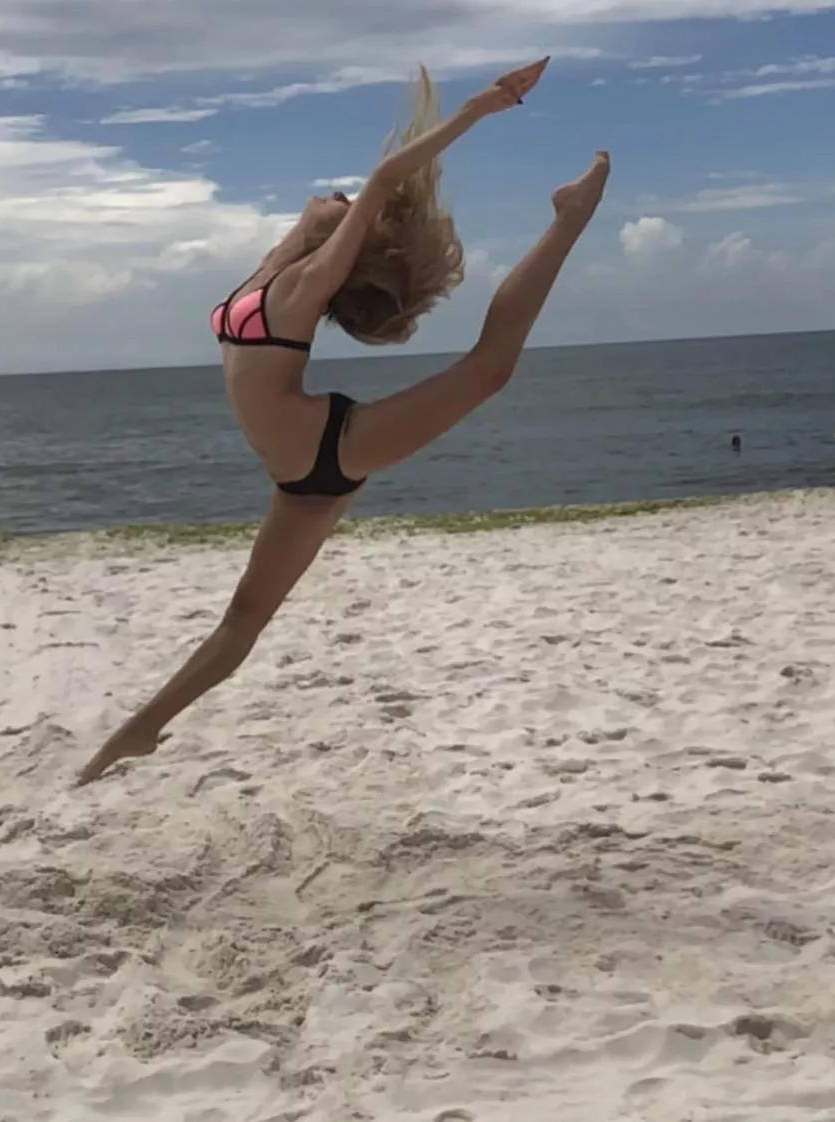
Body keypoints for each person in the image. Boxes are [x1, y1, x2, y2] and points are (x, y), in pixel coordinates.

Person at [77, 57, 611, 786]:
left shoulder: (299, 289)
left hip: (330, 446)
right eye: (338, 197)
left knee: (489, 369)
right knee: (243, 619)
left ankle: (569, 219)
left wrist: (481, 108)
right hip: (297, 477)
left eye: (345, 205)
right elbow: (372, 194)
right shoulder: (271, 271)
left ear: (343, 248)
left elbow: (388, 179)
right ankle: (137, 732)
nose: (338, 195)